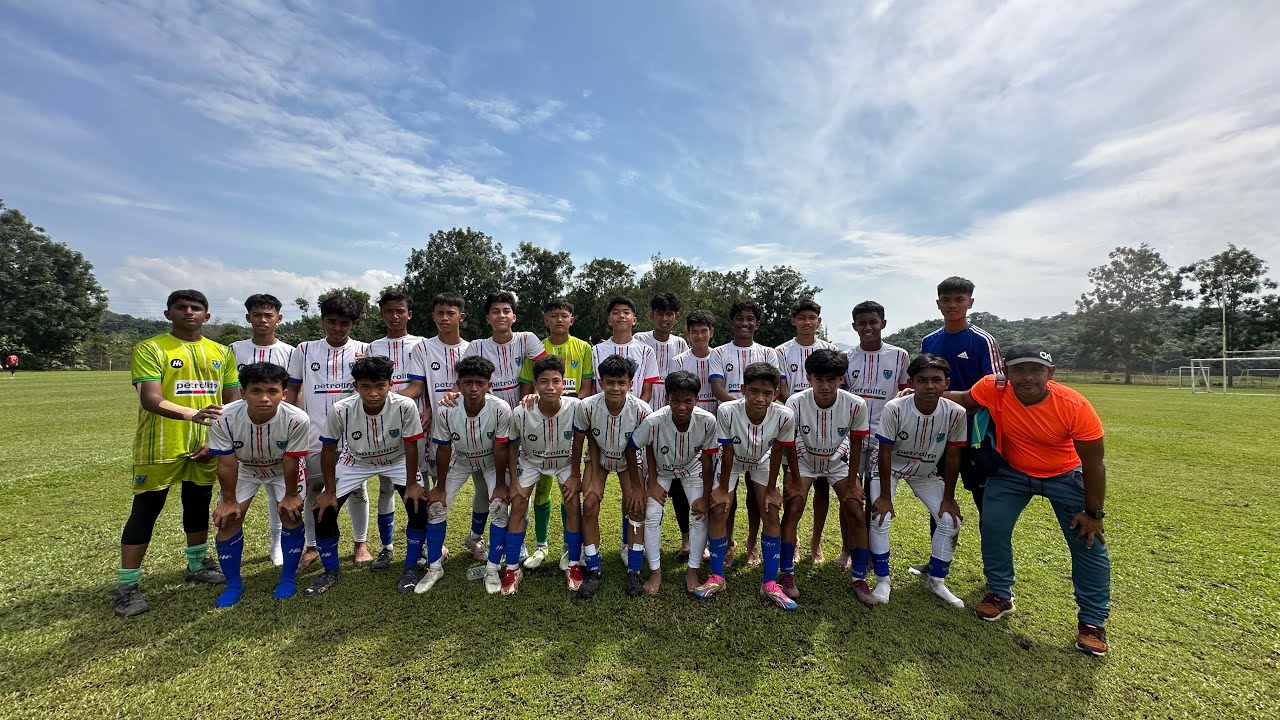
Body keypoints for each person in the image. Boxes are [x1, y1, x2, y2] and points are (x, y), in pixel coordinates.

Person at [942, 344, 1111, 656]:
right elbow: (964, 400)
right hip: (1013, 472)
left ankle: (1092, 621)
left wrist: (1094, 513)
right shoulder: (995, 388)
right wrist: (917, 393)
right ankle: (1000, 594)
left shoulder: (1073, 404)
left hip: (1065, 474)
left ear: (1051, 372)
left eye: (1036, 370)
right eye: (1019, 370)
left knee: (1088, 541)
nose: (1027, 377)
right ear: (1007, 372)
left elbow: (1094, 463)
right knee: (992, 525)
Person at [111, 289, 241, 617]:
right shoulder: (150, 347)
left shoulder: (221, 353)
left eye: (196, 308)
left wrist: (215, 439)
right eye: (181, 307)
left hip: (206, 445)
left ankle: (196, 564)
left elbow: (232, 402)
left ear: (207, 316)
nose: (189, 312)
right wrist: (190, 415)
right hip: (160, 445)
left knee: (197, 505)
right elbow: (150, 398)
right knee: (145, 510)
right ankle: (127, 585)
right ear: (168, 313)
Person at [307, 356, 426, 596]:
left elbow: (412, 445)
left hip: (397, 460)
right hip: (356, 462)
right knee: (323, 511)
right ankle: (331, 571)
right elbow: (328, 449)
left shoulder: (405, 405)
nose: (373, 393)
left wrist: (412, 483)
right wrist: (329, 491)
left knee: (418, 505)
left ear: (390, 384)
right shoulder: (342, 409)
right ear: (356, 386)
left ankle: (411, 566)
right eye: (366, 387)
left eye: (380, 385)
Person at [697, 362, 799, 611]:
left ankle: (770, 583)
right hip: (733, 461)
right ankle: (717, 578)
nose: (760, 398)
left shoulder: (785, 414)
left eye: (767, 393)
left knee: (771, 511)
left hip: (762, 461)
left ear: (775, 393)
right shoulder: (728, 410)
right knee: (719, 509)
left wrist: (773, 488)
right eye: (753, 391)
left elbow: (777, 450)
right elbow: (728, 450)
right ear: (742, 389)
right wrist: (722, 489)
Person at [870, 354, 968, 608]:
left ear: (947, 382)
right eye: (922, 380)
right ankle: (883, 580)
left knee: (950, 521)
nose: (930, 386)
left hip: (924, 472)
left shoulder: (956, 412)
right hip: (888, 468)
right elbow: (884, 452)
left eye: (936, 380)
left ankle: (937, 581)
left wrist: (948, 498)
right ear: (911, 382)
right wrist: (884, 498)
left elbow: (954, 456)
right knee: (881, 517)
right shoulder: (896, 407)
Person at [208, 362, 310, 605]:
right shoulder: (223, 416)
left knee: (291, 513)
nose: (264, 398)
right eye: (256, 391)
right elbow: (227, 463)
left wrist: (290, 495)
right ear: (243, 393)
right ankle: (233, 583)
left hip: (281, 468)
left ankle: (287, 578)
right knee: (228, 520)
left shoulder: (297, 419)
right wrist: (229, 500)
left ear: (284, 394)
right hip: (244, 468)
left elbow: (291, 461)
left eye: (272, 391)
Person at [285, 294, 371, 570]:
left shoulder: (364, 351)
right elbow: (292, 390)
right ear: (322, 321)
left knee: (358, 489)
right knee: (315, 489)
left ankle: (361, 543)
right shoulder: (304, 349)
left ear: (353, 324)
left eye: (344, 323)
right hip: (312, 433)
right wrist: (288, 424)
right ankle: (311, 546)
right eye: (331, 322)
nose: (337, 328)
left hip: (352, 436)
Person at [782, 349, 874, 606]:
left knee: (855, 507)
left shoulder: (856, 404)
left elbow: (856, 443)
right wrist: (794, 478)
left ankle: (859, 577)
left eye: (831, 380)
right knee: (794, 505)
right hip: (805, 460)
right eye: (819, 379)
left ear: (841, 379)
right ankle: (786, 573)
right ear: (809, 377)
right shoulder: (795, 402)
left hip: (837, 460)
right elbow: (789, 442)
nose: (825, 386)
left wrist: (854, 481)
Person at [415, 356, 512, 594]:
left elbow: (501, 449)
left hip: (490, 460)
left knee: (500, 507)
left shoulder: (500, 408)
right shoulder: (447, 409)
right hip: (461, 460)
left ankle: (491, 570)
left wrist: (500, 484)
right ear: (458, 383)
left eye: (480, 382)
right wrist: (439, 486)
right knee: (436, 506)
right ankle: (435, 567)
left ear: (489, 385)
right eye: (468, 382)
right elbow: (444, 448)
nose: (474, 388)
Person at [407, 292, 490, 563]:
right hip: (435, 429)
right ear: (433, 317)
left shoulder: (473, 348)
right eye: (440, 313)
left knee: (482, 488)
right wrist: (428, 408)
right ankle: (435, 546)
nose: (445, 318)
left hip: (472, 430)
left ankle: (475, 539)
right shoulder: (422, 348)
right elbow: (418, 387)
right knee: (436, 489)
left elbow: (471, 383)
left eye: (450, 313)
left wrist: (443, 404)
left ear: (461, 317)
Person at [515, 297, 595, 571]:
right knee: (541, 492)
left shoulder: (583, 347)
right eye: (553, 316)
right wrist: (536, 400)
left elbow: (586, 388)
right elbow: (527, 388)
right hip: (541, 426)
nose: (559, 320)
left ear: (572, 320)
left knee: (569, 491)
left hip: (567, 424)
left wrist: (567, 405)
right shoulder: (535, 348)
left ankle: (567, 548)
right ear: (546, 320)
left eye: (564, 315)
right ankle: (541, 545)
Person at [708, 299, 784, 567]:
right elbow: (716, 387)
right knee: (727, 496)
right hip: (731, 428)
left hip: (762, 435)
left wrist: (755, 408)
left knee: (758, 498)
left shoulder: (769, 353)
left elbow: (774, 389)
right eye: (739, 318)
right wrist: (742, 409)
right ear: (731, 322)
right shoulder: (718, 352)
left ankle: (753, 544)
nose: (744, 323)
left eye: (750, 318)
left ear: (757, 323)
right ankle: (727, 543)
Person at [500, 355, 583, 595]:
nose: (550, 387)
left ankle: (574, 564)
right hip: (531, 462)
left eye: (555, 381)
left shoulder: (576, 407)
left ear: (563, 383)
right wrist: (514, 481)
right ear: (535, 384)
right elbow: (512, 444)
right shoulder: (521, 411)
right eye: (544, 381)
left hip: (563, 462)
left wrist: (575, 475)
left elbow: (579, 441)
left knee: (572, 503)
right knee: (518, 504)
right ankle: (513, 568)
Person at [630, 370, 719, 594]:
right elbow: (634, 448)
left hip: (692, 469)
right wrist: (650, 485)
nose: (681, 407)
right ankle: (655, 572)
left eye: (688, 401)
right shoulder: (654, 420)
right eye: (675, 400)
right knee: (651, 516)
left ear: (697, 399)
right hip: (662, 471)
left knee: (700, 515)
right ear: (666, 398)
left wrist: (706, 496)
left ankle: (692, 570)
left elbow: (707, 460)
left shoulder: (707, 421)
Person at [920, 277, 1002, 519]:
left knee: (983, 497)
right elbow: (922, 382)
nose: (952, 305)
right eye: (946, 300)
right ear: (938, 303)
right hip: (939, 428)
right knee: (938, 495)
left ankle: (992, 557)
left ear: (970, 302)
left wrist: (944, 396)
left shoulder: (981, 340)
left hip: (974, 428)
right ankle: (939, 556)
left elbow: (993, 389)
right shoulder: (929, 341)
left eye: (959, 300)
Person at [573, 355, 651, 598]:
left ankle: (634, 572)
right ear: (600, 382)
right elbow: (580, 441)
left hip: (630, 463)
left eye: (621, 382)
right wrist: (577, 475)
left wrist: (642, 486)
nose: (615, 388)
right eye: (609, 382)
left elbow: (646, 448)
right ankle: (593, 568)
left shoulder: (641, 410)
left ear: (630, 383)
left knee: (636, 507)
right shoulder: (586, 406)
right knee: (590, 504)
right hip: (600, 458)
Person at [843, 300, 910, 569]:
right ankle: (848, 549)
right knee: (849, 492)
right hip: (852, 437)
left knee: (876, 494)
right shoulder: (847, 357)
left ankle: (871, 550)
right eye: (862, 323)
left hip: (885, 437)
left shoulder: (899, 355)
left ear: (883, 323)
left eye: (873, 322)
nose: (868, 327)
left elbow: (906, 392)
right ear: (854, 327)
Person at [230, 293, 296, 568]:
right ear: (248, 318)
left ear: (278, 319)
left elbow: (292, 392)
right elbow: (230, 391)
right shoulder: (233, 349)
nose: (262, 320)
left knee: (277, 492)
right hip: (242, 431)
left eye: (269, 315)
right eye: (257, 315)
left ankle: (277, 544)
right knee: (241, 493)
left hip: (279, 430)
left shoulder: (290, 352)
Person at [366, 290, 427, 570]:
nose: (395, 316)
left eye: (400, 310)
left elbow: (422, 385)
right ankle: (386, 546)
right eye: (389, 311)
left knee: (422, 483)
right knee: (386, 486)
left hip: (416, 422)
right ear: (382, 314)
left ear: (409, 313)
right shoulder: (373, 347)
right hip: (382, 427)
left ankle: (426, 544)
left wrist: (424, 410)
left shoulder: (422, 344)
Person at [775, 298, 838, 564]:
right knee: (794, 485)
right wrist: (799, 407)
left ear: (818, 321)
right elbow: (782, 387)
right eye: (802, 318)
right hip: (794, 422)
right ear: (793, 321)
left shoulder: (830, 349)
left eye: (812, 318)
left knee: (822, 486)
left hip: (826, 424)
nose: (807, 322)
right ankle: (795, 541)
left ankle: (816, 540)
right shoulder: (781, 351)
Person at [670, 309, 717, 561]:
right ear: (687, 334)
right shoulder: (679, 361)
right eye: (694, 331)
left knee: (709, 484)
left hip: (713, 429)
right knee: (679, 486)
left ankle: (710, 540)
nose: (699, 335)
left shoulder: (719, 356)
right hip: (684, 429)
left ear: (711, 332)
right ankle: (686, 539)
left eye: (703, 330)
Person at [591, 296, 659, 404]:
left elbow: (647, 391)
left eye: (626, 313)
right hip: (603, 413)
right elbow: (593, 388)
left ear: (634, 320)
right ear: (609, 320)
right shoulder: (596, 351)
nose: (621, 316)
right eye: (616, 313)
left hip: (635, 415)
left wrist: (635, 412)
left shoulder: (647, 352)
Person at [634, 292, 690, 411]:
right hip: (643, 403)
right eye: (660, 314)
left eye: (669, 314)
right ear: (652, 315)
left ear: (677, 317)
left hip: (671, 407)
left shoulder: (680, 343)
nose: (664, 319)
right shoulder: (639, 339)